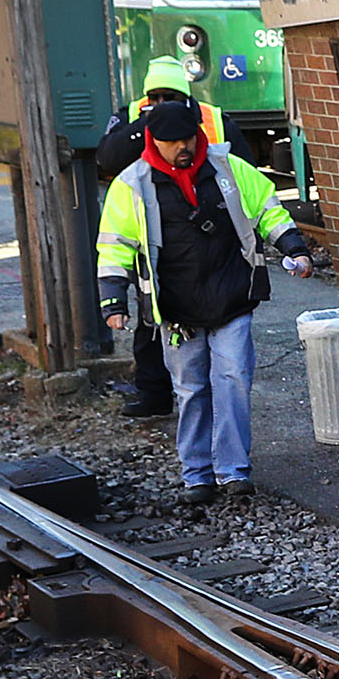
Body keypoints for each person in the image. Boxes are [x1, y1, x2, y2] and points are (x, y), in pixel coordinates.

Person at [95, 99, 315, 506]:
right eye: (172, 141)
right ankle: (196, 474)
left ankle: (233, 471)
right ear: (152, 140)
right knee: (192, 390)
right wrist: (114, 302)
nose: (182, 147)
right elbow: (114, 248)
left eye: (187, 138)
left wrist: (294, 247)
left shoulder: (227, 167)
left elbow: (267, 207)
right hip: (176, 310)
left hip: (231, 295)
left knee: (233, 382)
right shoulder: (131, 185)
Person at [93, 59, 229, 418]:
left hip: (208, 242)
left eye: (170, 96)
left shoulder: (211, 117)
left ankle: (207, 395)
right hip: (152, 237)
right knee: (151, 324)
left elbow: (239, 172)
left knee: (215, 327)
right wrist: (148, 124)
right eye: (155, 95)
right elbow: (107, 158)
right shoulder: (131, 117)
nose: (162, 101)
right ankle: (154, 393)